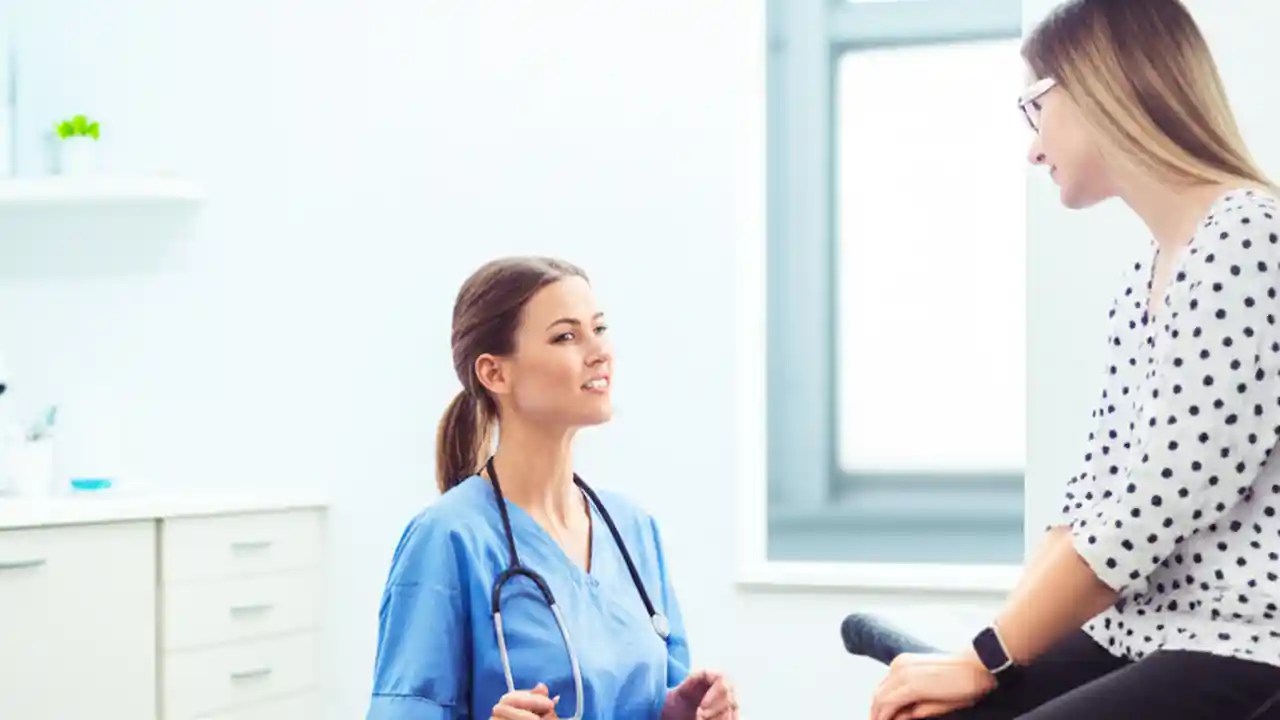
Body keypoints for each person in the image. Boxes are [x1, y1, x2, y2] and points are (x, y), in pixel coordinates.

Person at [870, 1, 1280, 718]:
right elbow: (1090, 499)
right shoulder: (1149, 276)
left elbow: (1156, 499)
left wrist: (987, 656)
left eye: (1035, 107)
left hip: (1243, 641)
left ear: (1102, 88)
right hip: (1144, 629)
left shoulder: (1248, 240)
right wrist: (987, 653)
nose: (1031, 148)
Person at [367, 257, 739, 720]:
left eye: (598, 329)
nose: (599, 351)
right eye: (566, 336)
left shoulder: (632, 530)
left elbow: (658, 689)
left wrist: (686, 712)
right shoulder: (447, 538)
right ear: (494, 373)